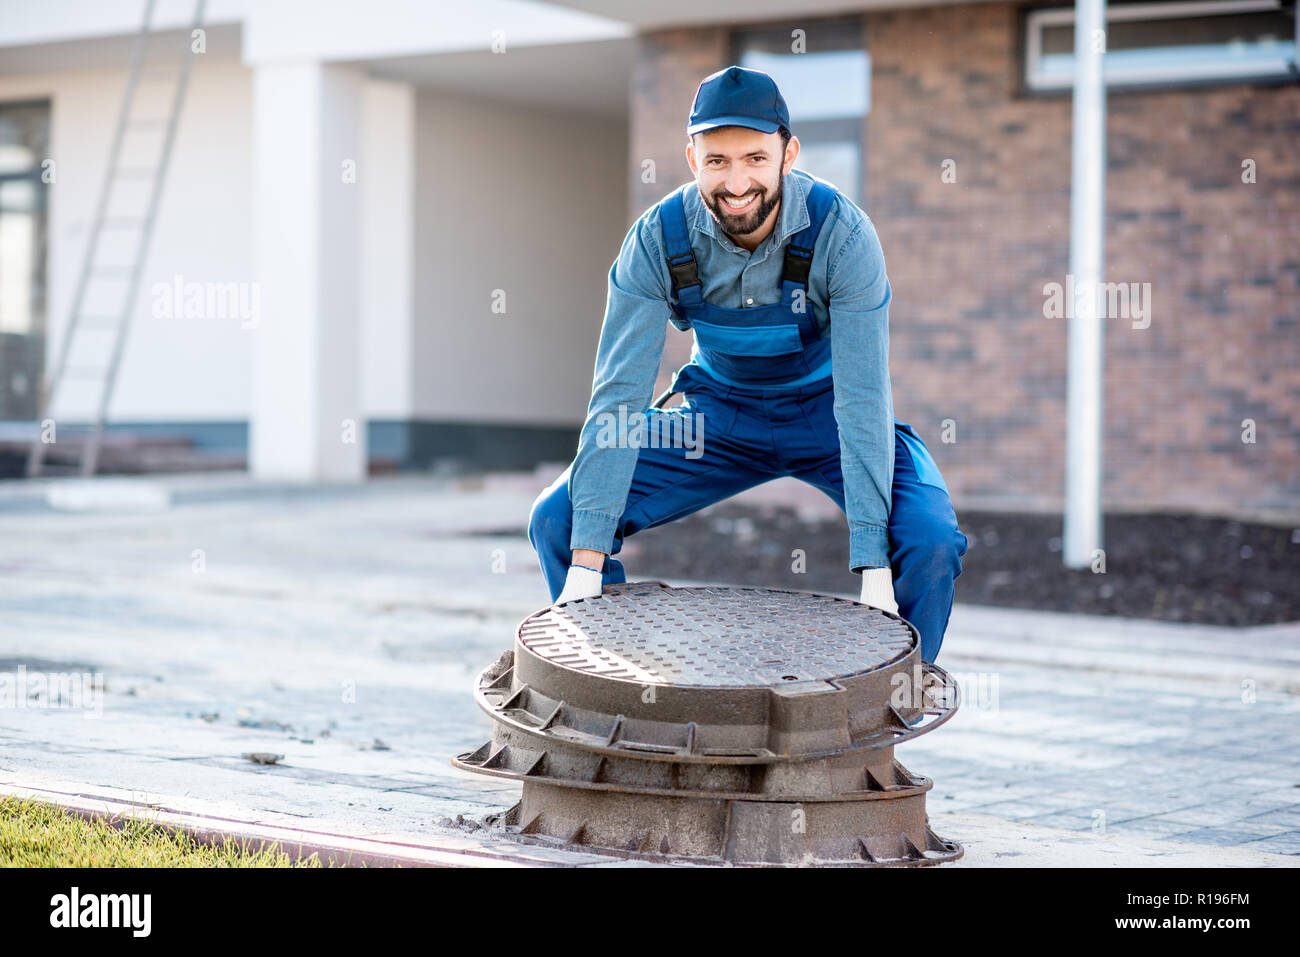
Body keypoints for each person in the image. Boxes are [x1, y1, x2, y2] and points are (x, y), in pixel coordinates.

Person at [527, 65, 969, 662]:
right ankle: (619, 686)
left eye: (755, 158)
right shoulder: (658, 240)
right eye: (717, 161)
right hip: (716, 418)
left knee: (930, 541)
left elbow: (864, 397)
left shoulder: (842, 235)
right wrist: (584, 562)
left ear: (788, 153)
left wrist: (873, 568)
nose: (737, 182)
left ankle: (884, 704)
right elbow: (619, 398)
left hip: (831, 419)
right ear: (692, 159)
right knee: (559, 518)